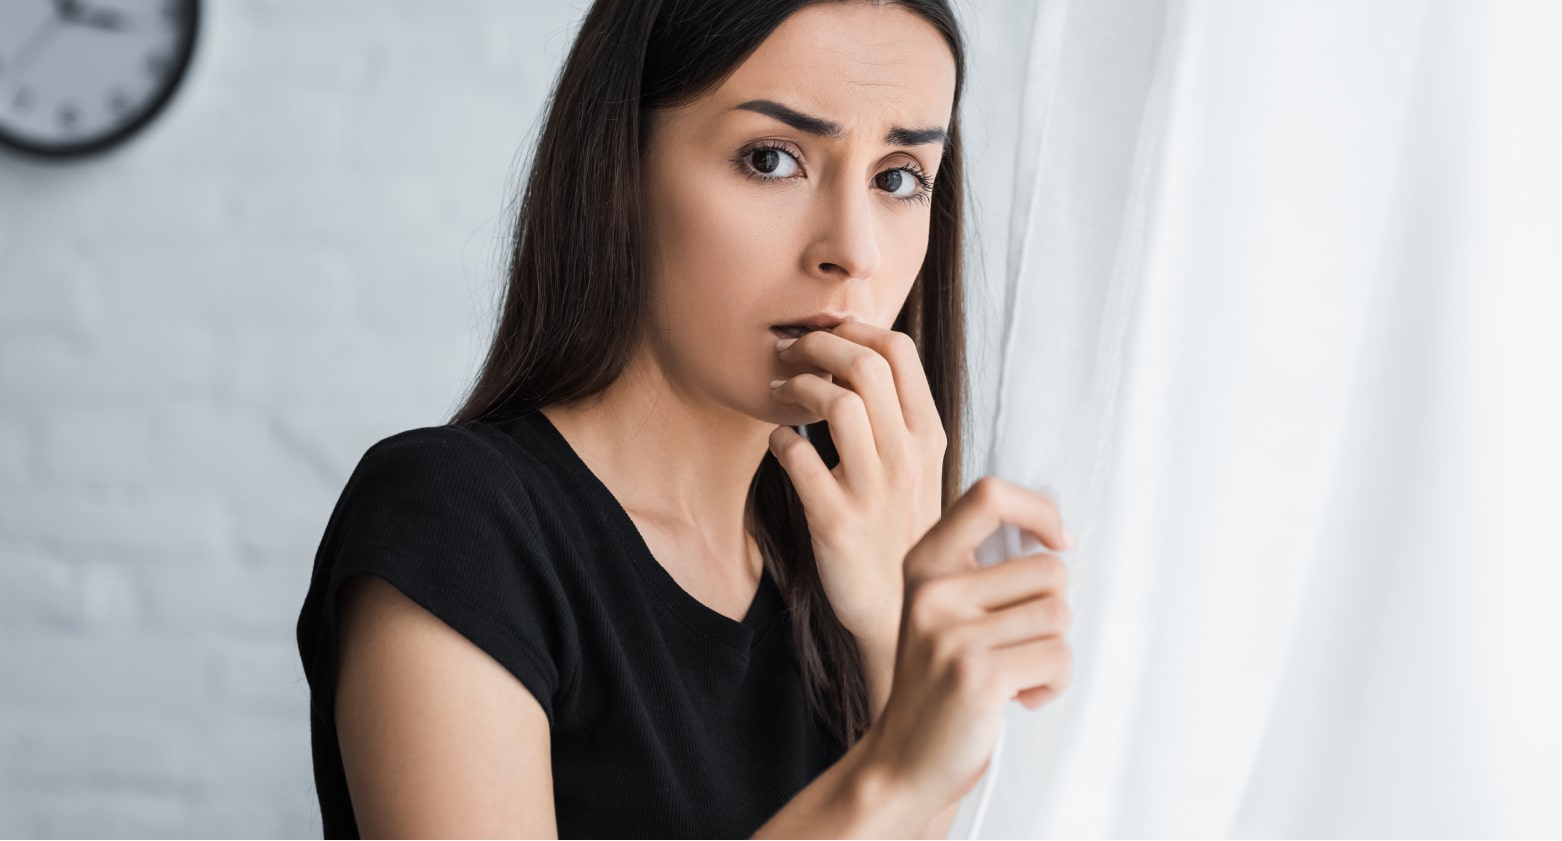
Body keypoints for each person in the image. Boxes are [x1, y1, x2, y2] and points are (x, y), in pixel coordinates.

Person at [294, 0, 1075, 836]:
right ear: (620, 167)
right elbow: (901, 786)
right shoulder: (455, 520)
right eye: (771, 159)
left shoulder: (845, 568)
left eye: (898, 179)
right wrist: (892, 771)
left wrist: (895, 626)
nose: (854, 250)